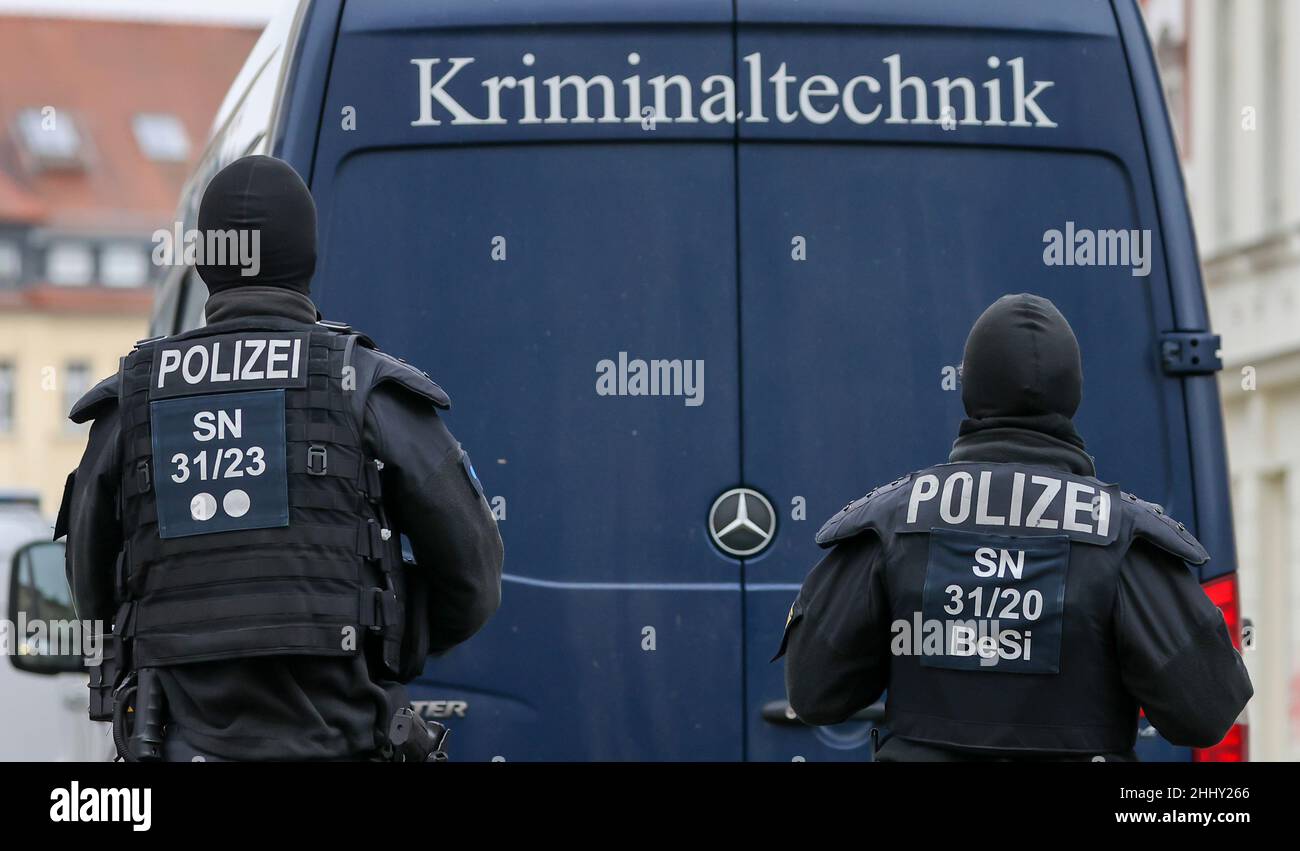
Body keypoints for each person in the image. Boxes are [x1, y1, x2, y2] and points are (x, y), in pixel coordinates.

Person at [59, 155, 503, 761]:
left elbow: (93, 597)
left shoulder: (131, 402)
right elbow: (472, 582)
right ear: (307, 258)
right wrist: (383, 631)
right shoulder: (364, 389)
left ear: (204, 258)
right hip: (346, 740)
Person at [777, 293, 1253, 761]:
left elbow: (815, 693)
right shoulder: (1119, 536)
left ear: (971, 389)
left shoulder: (893, 522)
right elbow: (1206, 712)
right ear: (1072, 394)